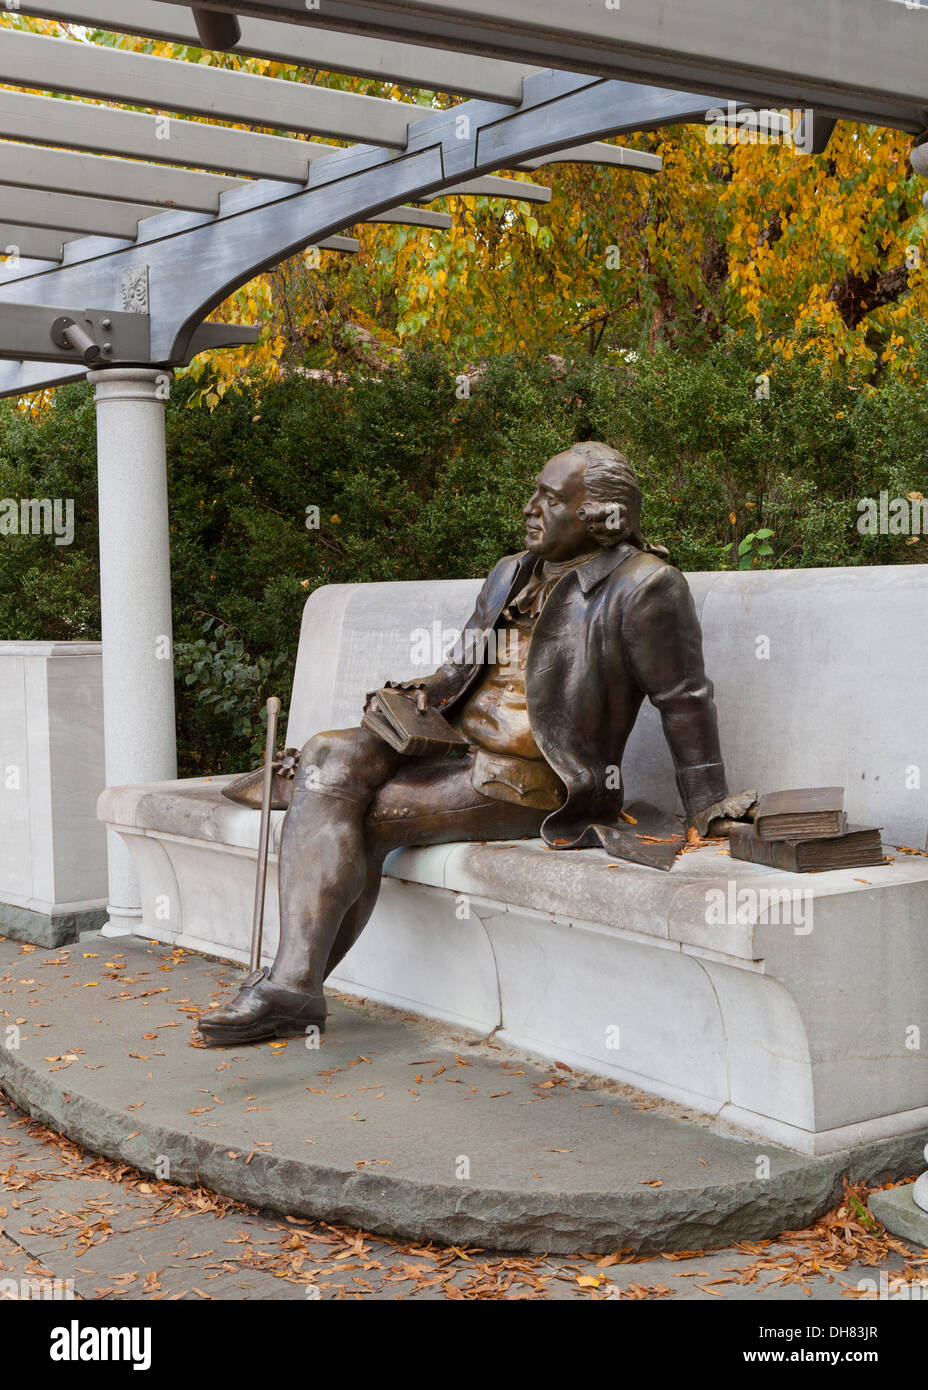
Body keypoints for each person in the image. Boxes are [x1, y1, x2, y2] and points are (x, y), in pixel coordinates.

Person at [198, 442, 742, 1046]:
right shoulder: (512, 571)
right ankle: (293, 988)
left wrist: (708, 804)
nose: (532, 507)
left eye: (552, 499)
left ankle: (291, 987)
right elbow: (463, 668)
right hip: (453, 749)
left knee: (362, 814)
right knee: (327, 753)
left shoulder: (646, 586)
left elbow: (684, 698)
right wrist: (410, 698)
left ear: (602, 515)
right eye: (535, 491)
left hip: (536, 778)